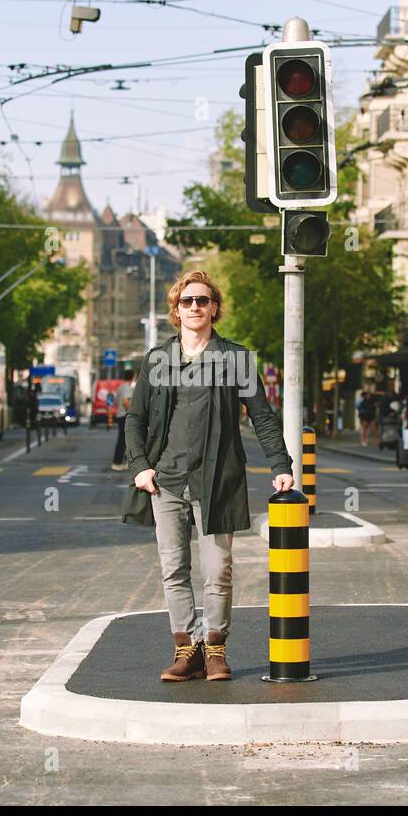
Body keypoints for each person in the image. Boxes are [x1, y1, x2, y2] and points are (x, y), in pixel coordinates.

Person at [121, 270, 293, 683]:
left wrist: (281, 465)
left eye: (202, 301)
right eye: (187, 301)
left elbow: (263, 417)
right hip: (166, 482)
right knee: (173, 569)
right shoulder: (158, 360)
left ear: (214, 308)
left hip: (216, 481)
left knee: (218, 570)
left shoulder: (235, 359)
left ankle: (215, 649)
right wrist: (140, 466)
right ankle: (187, 649)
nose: (195, 307)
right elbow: (136, 418)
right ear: (176, 311)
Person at [110, 368, 135, 471]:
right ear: (133, 377)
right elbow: (125, 401)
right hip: (125, 416)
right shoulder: (126, 388)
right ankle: (117, 462)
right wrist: (132, 412)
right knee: (123, 440)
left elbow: (116, 402)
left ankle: (124, 462)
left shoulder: (120, 387)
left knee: (125, 440)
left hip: (120, 415)